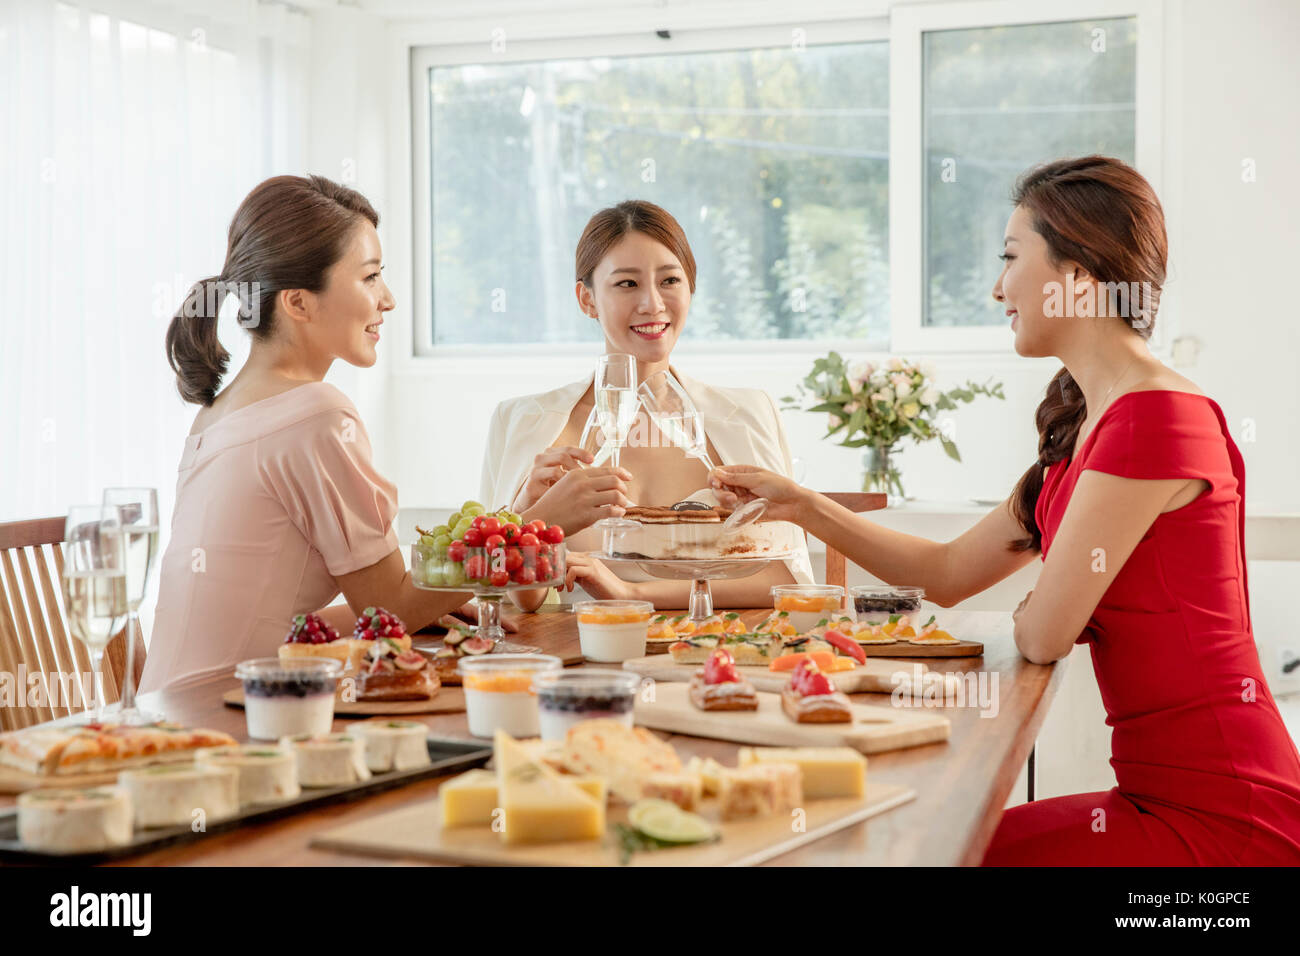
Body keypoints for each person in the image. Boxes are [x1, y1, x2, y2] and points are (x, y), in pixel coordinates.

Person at [709, 156, 1300, 864]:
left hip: (1225, 817)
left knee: (949, 847)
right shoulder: (1094, 426)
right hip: (1156, 796)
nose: (997, 290)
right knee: (942, 838)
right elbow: (951, 571)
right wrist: (802, 505)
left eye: (1012, 259)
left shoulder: (1155, 420)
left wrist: (1039, 612)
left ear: (1079, 279)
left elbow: (1045, 635)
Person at [141, 175, 475, 693]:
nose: (387, 299)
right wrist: (541, 528)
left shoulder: (221, 410)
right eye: (369, 277)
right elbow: (393, 605)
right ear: (298, 303)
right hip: (234, 721)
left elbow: (254, 617)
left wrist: (431, 605)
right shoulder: (314, 414)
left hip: (172, 710)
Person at [480, 200, 813, 610]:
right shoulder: (521, 422)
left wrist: (632, 594)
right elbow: (516, 601)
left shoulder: (747, 414)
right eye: (627, 284)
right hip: (574, 655)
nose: (653, 303)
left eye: (670, 280)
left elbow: (782, 578)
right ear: (587, 299)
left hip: (712, 652)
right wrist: (531, 520)